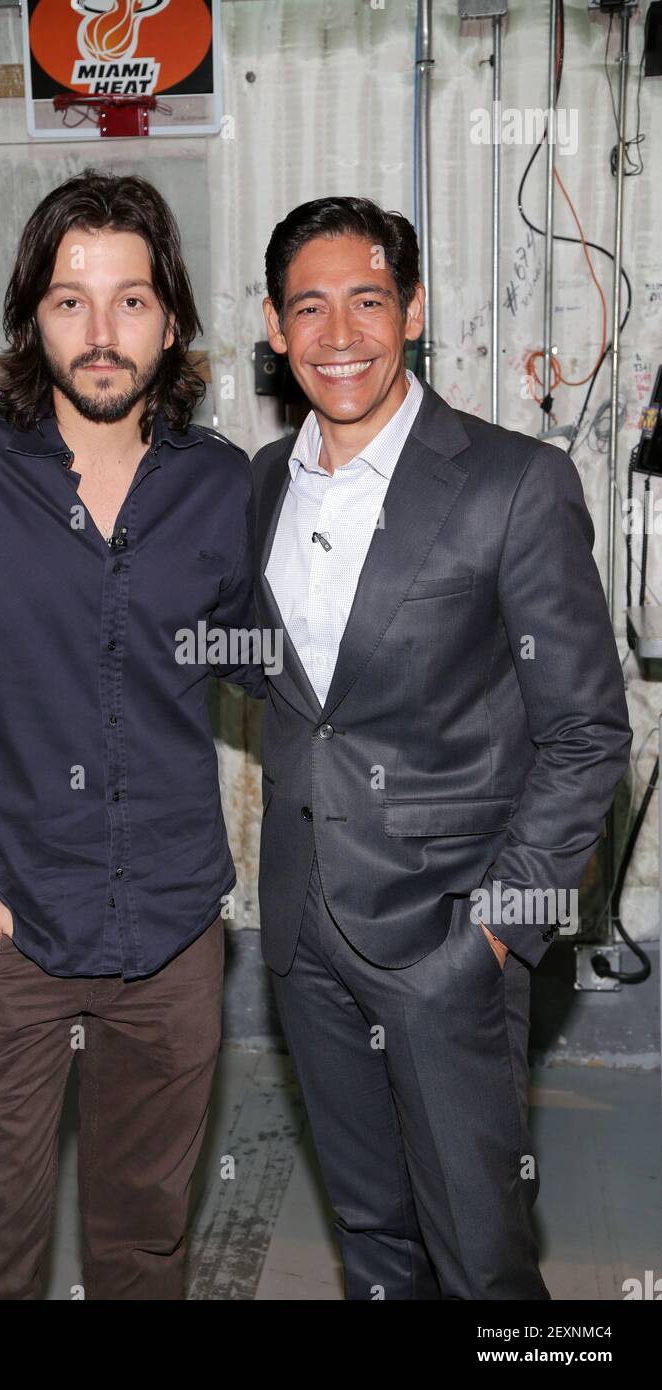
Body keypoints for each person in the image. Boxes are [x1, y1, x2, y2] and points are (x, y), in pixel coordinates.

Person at [0, 168, 264, 1300]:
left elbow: (263, 660)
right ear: (30, 317)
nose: (99, 330)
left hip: (173, 929)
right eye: (69, 299)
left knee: (144, 1243)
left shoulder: (219, 484)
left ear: (169, 319)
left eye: (129, 299)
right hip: (6, 926)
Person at [251, 194, 632, 1300]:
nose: (338, 334)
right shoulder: (261, 484)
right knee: (372, 1243)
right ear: (274, 331)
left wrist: (498, 934)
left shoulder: (513, 483)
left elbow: (584, 731)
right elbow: (296, 692)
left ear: (411, 310)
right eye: (307, 308)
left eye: (366, 300)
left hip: (446, 943)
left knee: (479, 1253)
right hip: (302, 932)